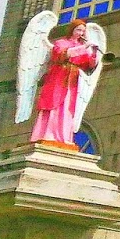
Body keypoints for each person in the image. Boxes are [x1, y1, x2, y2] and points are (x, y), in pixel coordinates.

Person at [30, 19, 99, 147]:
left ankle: (63, 137)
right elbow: (61, 54)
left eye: (83, 31)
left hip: (72, 81)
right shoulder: (61, 43)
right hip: (58, 77)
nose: (81, 33)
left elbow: (89, 66)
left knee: (67, 108)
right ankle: (47, 134)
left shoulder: (83, 48)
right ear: (72, 30)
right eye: (78, 30)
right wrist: (83, 47)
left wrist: (94, 53)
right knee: (54, 105)